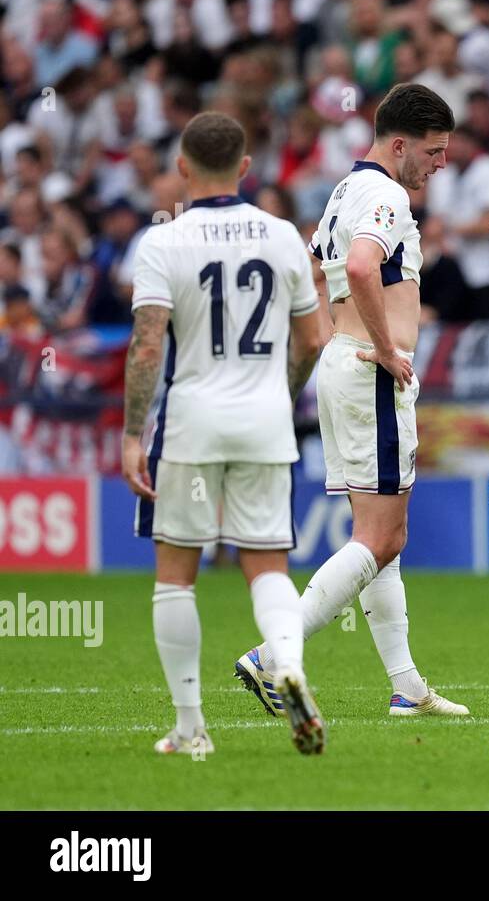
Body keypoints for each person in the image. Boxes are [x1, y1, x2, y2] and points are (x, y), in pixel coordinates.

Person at [235, 84, 470, 718]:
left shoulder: (345, 189)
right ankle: (273, 655)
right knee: (384, 537)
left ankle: (407, 687)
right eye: (435, 151)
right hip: (370, 369)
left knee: (378, 536)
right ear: (401, 145)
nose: (440, 164)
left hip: (344, 363)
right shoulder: (386, 193)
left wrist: (321, 350)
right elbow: (363, 269)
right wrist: (390, 348)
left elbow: (319, 272)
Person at [121, 112, 326, 755]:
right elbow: (313, 338)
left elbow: (147, 346)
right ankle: (287, 666)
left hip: (192, 423)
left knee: (176, 575)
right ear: (244, 168)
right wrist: (279, 396)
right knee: (266, 567)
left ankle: (190, 728)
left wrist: (132, 435)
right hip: (265, 422)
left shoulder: (162, 242)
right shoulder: (284, 235)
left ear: (181, 168)